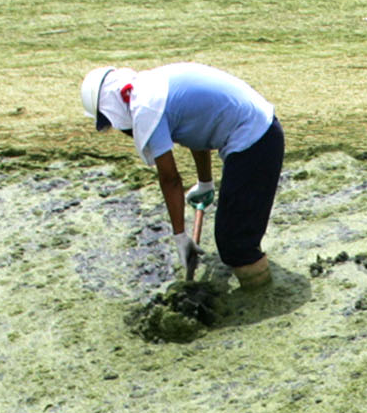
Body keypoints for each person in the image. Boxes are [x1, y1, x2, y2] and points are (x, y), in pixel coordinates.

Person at [81, 63, 283, 289]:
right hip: (258, 131)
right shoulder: (152, 88)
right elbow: (197, 131)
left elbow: (170, 180)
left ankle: (264, 296)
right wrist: (205, 182)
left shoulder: (147, 108)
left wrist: (180, 237)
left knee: (235, 244)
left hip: (257, 140)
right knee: (233, 232)